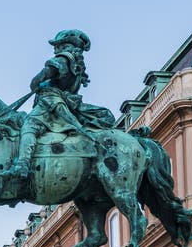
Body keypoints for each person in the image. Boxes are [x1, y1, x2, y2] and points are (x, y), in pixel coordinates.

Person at [8, 29, 116, 181]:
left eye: (57, 45)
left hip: (51, 102)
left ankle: (23, 164)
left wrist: (37, 83)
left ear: (65, 45)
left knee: (29, 126)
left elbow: (39, 79)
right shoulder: (77, 65)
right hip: (70, 105)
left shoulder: (61, 59)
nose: (55, 48)